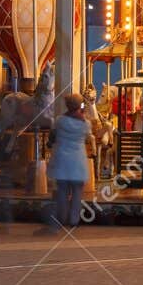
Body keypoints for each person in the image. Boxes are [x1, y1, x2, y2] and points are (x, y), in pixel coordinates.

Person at [44, 93, 95, 233]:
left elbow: (52, 137)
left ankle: (62, 218)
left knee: (62, 191)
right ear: (80, 106)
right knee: (78, 192)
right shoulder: (85, 123)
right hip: (78, 160)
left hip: (62, 160)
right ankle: (74, 220)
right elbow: (87, 136)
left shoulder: (59, 121)